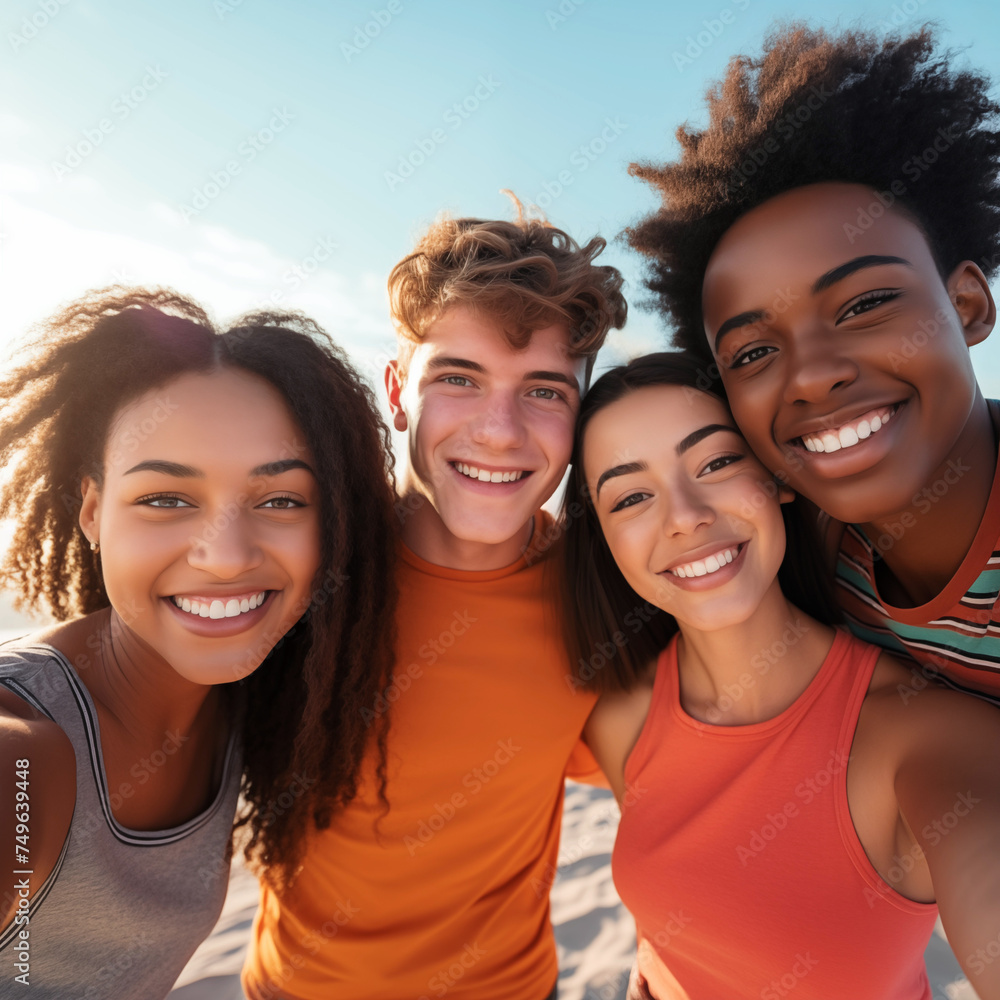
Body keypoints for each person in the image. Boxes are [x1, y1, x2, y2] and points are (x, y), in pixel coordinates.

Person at [242, 203, 627, 1000]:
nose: (499, 431)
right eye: (458, 378)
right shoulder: (307, 566)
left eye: (545, 391)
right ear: (396, 391)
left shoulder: (605, 590)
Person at [561, 352, 1000, 999]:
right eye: (630, 496)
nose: (684, 516)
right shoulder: (618, 711)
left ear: (777, 478)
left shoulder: (924, 736)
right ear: (603, 538)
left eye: (715, 463)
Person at [0, 288, 398, 999]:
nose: (225, 556)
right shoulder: (21, 754)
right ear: (92, 511)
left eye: (280, 501)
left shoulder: (254, 697)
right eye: (165, 499)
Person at [627, 24, 1000, 700]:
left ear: (968, 305)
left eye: (865, 305)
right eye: (756, 352)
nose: (809, 375)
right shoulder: (791, 558)